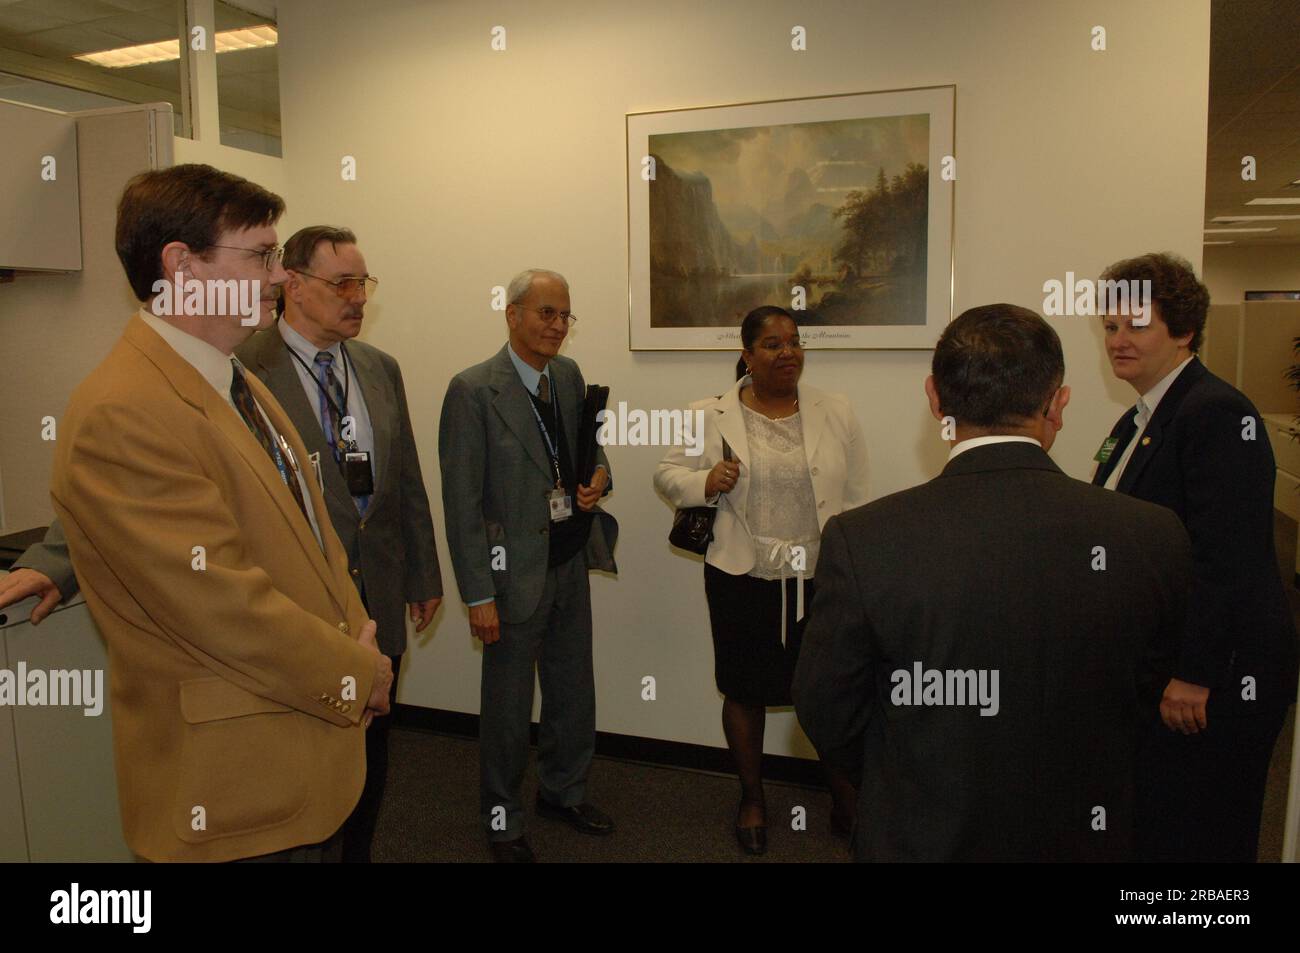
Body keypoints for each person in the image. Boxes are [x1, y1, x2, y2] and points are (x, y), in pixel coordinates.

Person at [48, 163, 392, 862]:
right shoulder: (124, 411)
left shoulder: (232, 378)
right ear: (182, 264)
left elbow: (315, 535)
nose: (276, 276)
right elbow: (220, 606)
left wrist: (357, 628)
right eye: (261, 254)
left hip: (299, 751)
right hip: (236, 791)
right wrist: (356, 671)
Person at [793, 303, 1192, 862]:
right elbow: (1146, 688)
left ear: (934, 399)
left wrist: (902, 769)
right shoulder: (1152, 534)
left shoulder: (865, 539)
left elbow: (826, 708)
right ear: (1058, 403)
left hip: (925, 834)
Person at [234, 225, 443, 862]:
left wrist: (425, 575)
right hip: (298, 601)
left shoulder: (380, 368)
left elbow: (404, 476)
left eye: (363, 284)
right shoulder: (245, 368)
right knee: (311, 751)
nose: (358, 298)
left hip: (379, 590)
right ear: (291, 285)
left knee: (374, 749)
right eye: (343, 283)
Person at [1092, 252, 1299, 862]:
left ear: (1183, 329)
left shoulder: (1215, 413)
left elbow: (1226, 558)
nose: (1118, 341)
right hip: (1171, 661)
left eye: (1135, 325)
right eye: (1109, 327)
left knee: (1206, 832)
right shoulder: (1143, 417)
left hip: (1221, 675)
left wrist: (1194, 672)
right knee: (1167, 825)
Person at [654, 305, 869, 855]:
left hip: (820, 578)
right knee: (744, 688)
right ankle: (752, 798)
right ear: (747, 355)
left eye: (794, 342)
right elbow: (666, 472)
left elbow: (856, 495)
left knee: (829, 689)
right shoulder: (710, 414)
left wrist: (858, 565)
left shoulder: (835, 410)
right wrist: (706, 478)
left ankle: (846, 796)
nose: (787, 353)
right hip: (741, 573)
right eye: (772, 344)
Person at [438, 268, 618, 863]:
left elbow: (588, 454)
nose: (558, 327)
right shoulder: (472, 391)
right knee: (510, 710)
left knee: (573, 692)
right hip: (510, 574)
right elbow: (461, 504)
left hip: (568, 562)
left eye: (566, 315)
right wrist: (477, 594)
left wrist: (597, 479)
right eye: (546, 313)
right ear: (512, 314)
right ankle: (502, 818)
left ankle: (563, 792)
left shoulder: (567, 376)